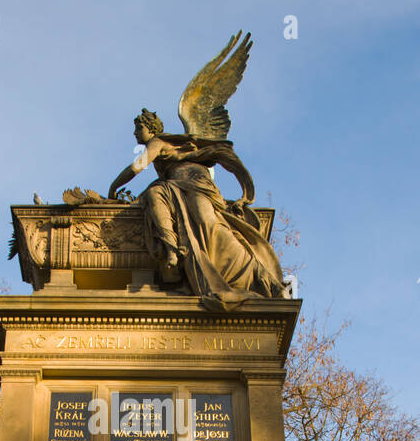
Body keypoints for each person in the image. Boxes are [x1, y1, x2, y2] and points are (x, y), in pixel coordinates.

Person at [108, 109, 286, 310]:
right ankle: (173, 250)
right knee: (161, 197)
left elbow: (137, 166)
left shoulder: (156, 143)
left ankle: (260, 276)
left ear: (150, 128)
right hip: (179, 186)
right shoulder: (165, 151)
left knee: (209, 225)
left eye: (139, 128)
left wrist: (113, 187)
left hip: (194, 183)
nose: (135, 133)